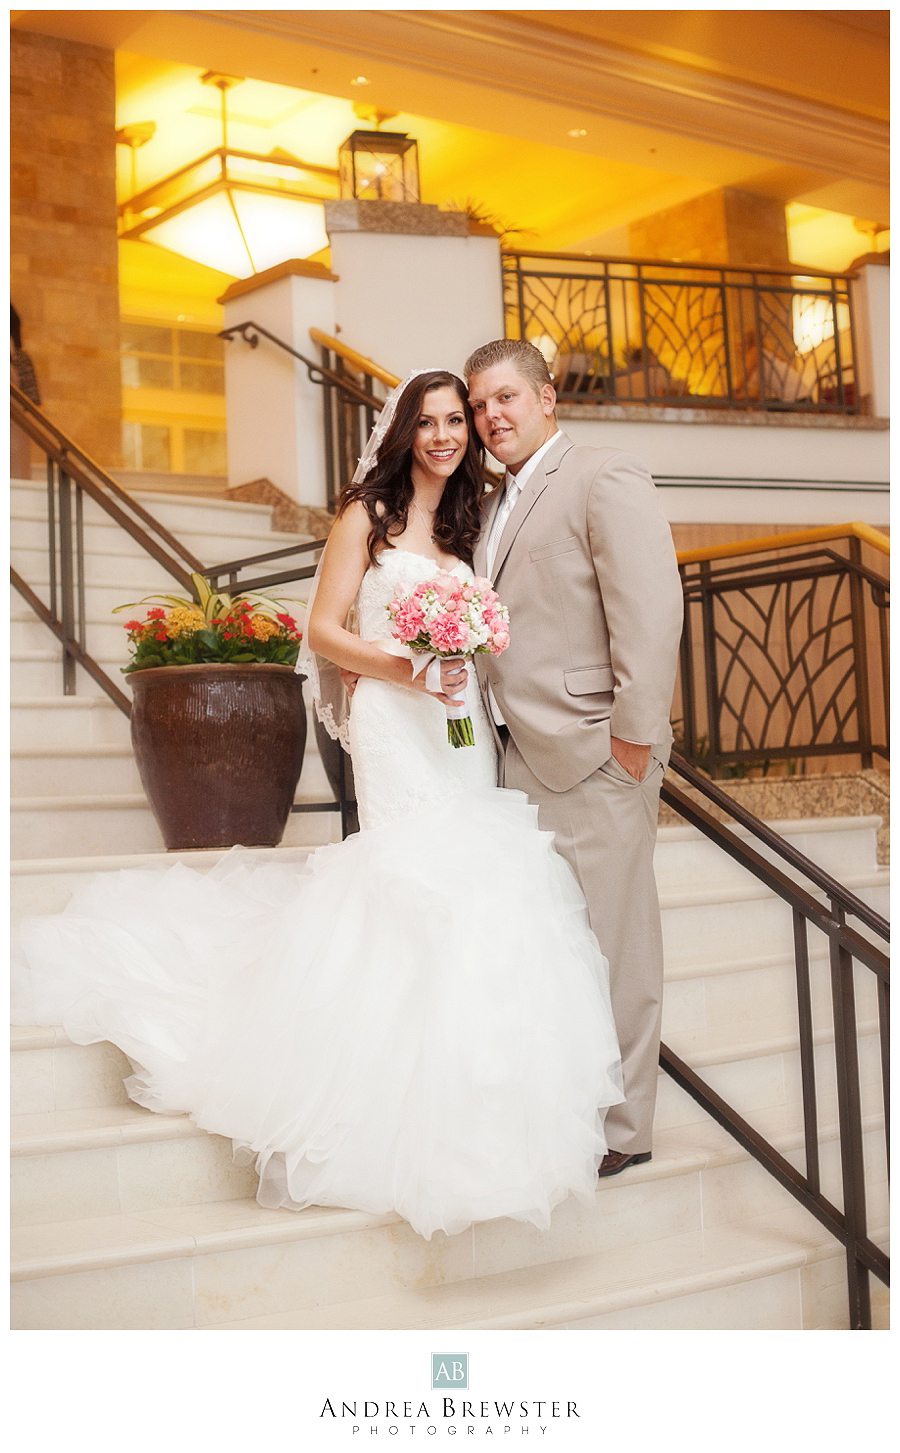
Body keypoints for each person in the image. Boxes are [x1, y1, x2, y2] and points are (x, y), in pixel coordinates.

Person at [13, 368, 623, 1241]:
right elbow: (323, 629)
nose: (448, 435)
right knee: (411, 879)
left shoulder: (470, 524)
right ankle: (384, 1097)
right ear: (405, 429)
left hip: (457, 727)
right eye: (432, 420)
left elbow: (489, 627)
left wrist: (462, 657)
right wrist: (402, 663)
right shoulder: (365, 517)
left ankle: (476, 1092)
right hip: (392, 723)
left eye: (460, 420)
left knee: (481, 883)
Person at [464, 338, 683, 1176]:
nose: (492, 416)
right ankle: (571, 1103)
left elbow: (651, 610)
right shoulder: (493, 506)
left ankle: (627, 1126)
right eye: (482, 404)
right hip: (517, 756)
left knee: (617, 945)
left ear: (548, 397)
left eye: (506, 397)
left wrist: (632, 739)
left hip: (595, 753)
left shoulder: (603, 473)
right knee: (554, 946)